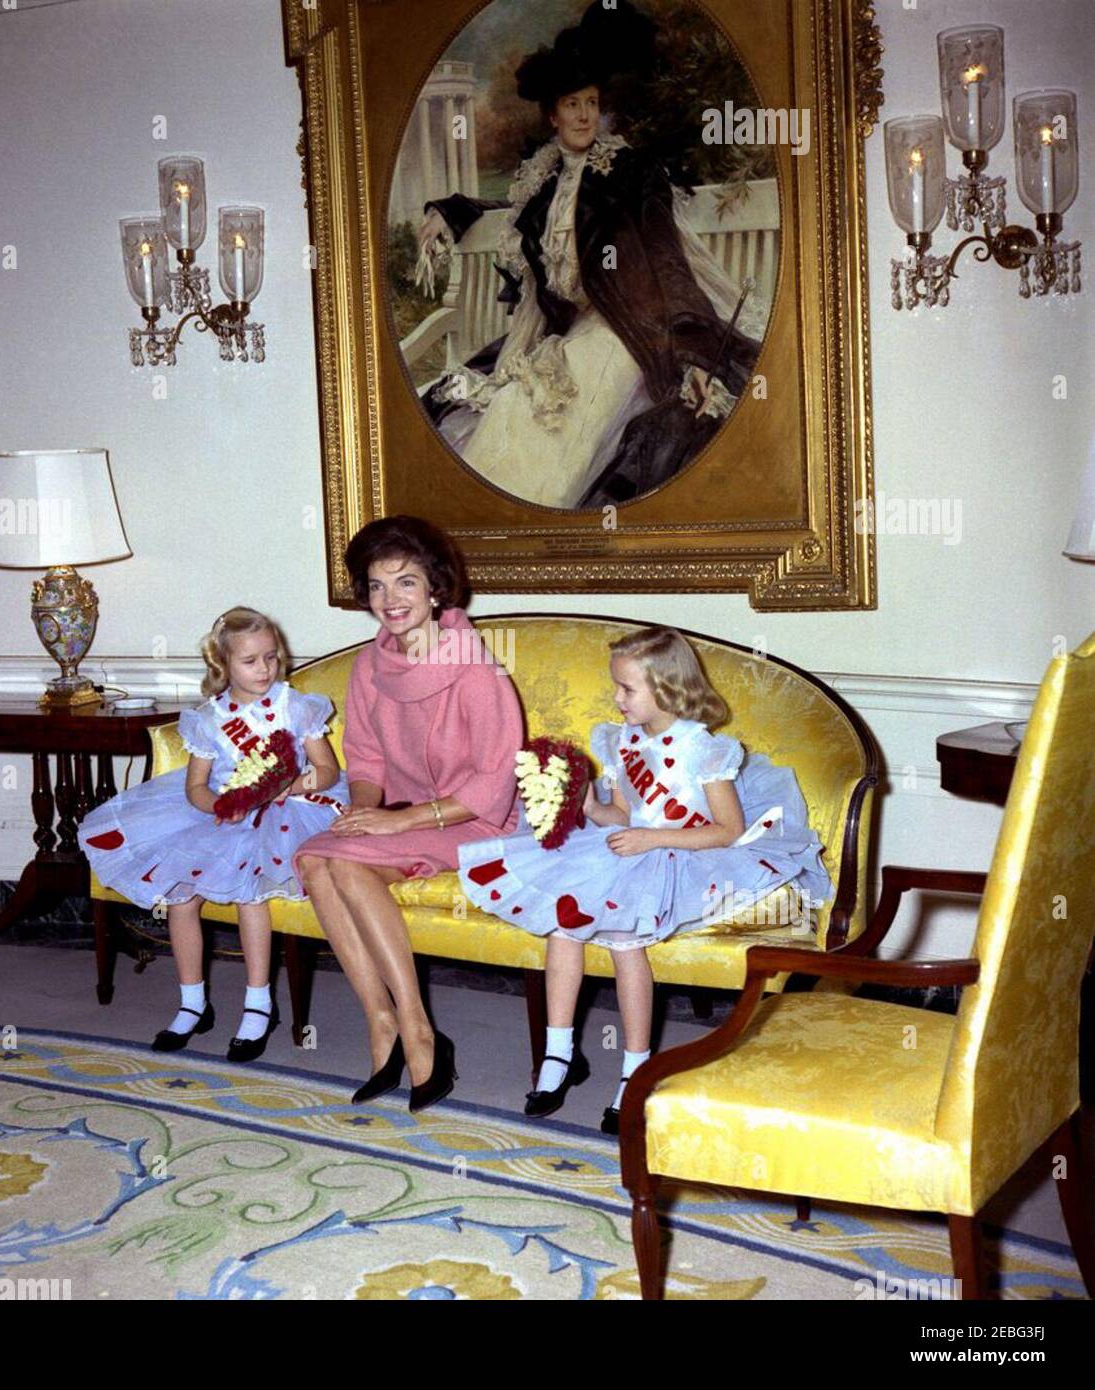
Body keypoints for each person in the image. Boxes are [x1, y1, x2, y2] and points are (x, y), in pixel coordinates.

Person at [456, 625, 832, 1134]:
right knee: (562, 927)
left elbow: (728, 831)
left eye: (627, 689)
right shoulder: (623, 741)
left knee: (623, 941)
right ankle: (559, 1053)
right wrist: (590, 804)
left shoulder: (706, 751)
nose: (616, 699)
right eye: (616, 686)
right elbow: (621, 815)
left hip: (679, 852)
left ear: (668, 688)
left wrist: (654, 841)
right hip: (626, 847)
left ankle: (636, 1066)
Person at [416, 0, 765, 509]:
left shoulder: (626, 171)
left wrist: (692, 351)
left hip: (633, 327)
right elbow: (515, 212)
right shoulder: (543, 177)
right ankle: (498, 519)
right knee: (513, 401)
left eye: (591, 102)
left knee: (568, 406)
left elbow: (667, 261)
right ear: (553, 114)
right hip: (572, 329)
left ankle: (545, 516)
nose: (584, 115)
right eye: (572, 104)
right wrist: (452, 209)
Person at [294, 515, 524, 1112]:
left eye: (405, 583)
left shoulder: (476, 665)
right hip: (405, 817)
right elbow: (365, 762)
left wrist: (395, 822)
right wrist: (361, 813)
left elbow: (494, 780)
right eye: (376, 585)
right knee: (318, 856)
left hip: (477, 820)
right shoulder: (370, 665)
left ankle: (417, 1030)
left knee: (341, 866)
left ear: (436, 588)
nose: (389, 600)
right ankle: (382, 1022)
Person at [78, 608, 347, 1061]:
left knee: (250, 894)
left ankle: (259, 1004)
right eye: (250, 661)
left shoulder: (295, 707)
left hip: (287, 811)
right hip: (225, 814)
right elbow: (196, 788)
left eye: (271, 657)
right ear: (223, 666)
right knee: (181, 896)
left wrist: (288, 784)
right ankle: (192, 1002)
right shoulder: (209, 719)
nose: (264, 669)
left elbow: (327, 770)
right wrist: (222, 807)